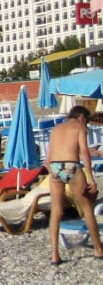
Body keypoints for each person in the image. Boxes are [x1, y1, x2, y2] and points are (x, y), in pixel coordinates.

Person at [46, 105, 103, 265]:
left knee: (56, 211)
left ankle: (54, 255)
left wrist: (53, 172)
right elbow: (84, 151)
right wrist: (90, 177)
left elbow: (48, 158)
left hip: (55, 167)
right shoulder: (79, 126)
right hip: (71, 165)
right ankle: (98, 249)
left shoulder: (56, 128)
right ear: (82, 118)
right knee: (86, 208)